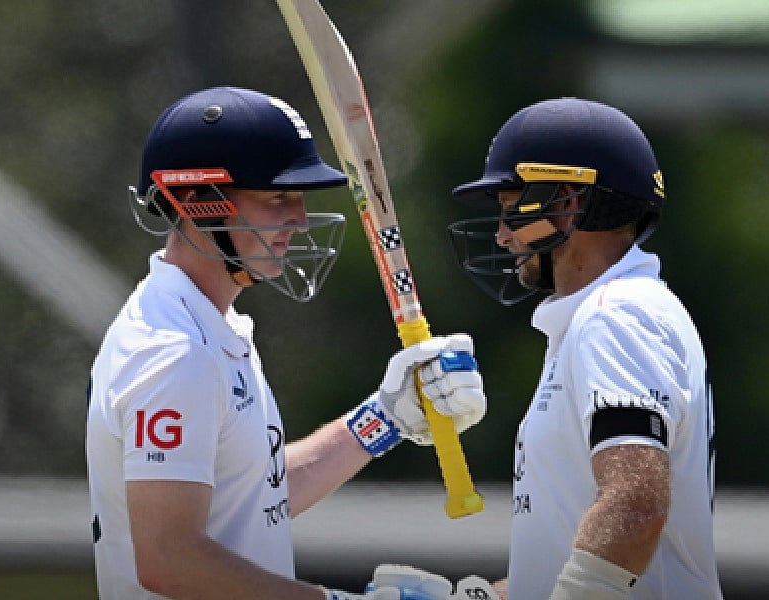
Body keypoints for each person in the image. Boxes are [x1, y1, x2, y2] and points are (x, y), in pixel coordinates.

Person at [84, 86, 489, 600]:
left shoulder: (211, 327)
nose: (298, 219)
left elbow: (252, 496)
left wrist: (385, 419)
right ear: (195, 201)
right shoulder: (173, 353)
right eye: (277, 198)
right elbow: (169, 559)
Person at [443, 97, 722, 599]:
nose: (503, 236)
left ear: (568, 202)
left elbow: (635, 505)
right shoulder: (605, 314)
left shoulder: (616, 314)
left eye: (512, 210)